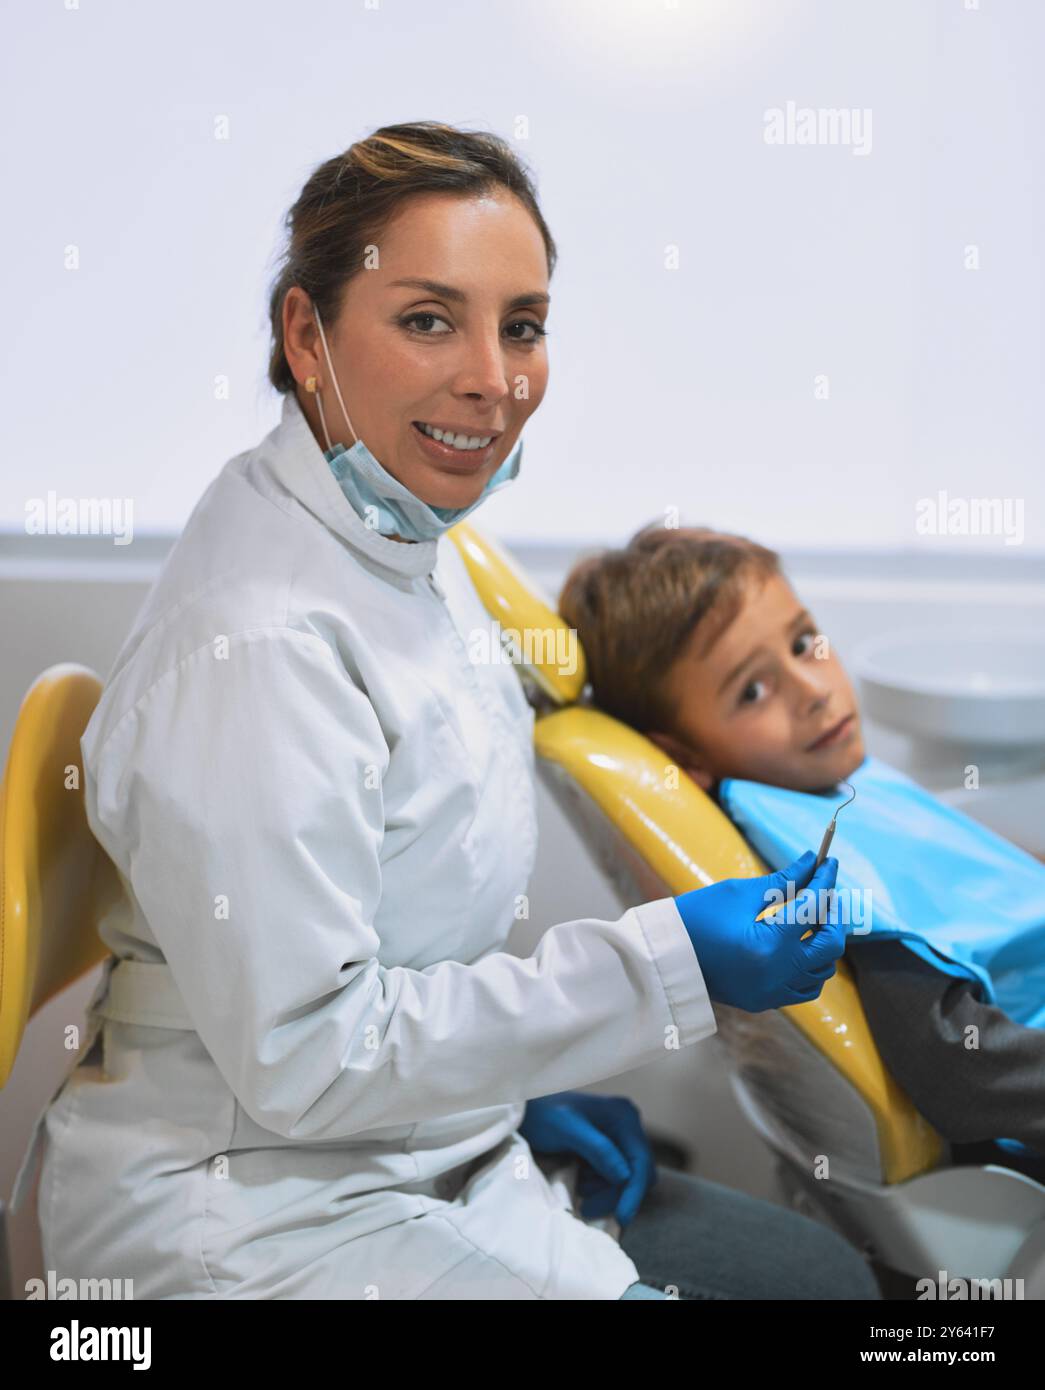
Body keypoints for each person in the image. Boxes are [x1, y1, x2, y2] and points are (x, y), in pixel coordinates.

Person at [12, 122, 878, 1300]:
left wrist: (505, 1093)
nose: (494, 376)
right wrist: (666, 964)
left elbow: (389, 935)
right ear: (305, 336)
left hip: (398, 1148)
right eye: (429, 319)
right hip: (250, 1216)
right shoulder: (260, 645)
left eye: (521, 324)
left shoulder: (403, 535)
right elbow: (309, 1057)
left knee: (821, 1278)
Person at [559, 520, 1045, 1184]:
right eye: (751, 692)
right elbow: (963, 1071)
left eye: (803, 642)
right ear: (682, 756)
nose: (813, 691)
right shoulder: (814, 858)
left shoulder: (834, 787)